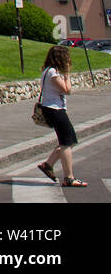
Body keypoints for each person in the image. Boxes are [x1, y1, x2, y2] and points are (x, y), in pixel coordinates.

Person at [37, 44, 87, 187]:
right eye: (66, 57)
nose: (68, 60)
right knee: (66, 143)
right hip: (55, 110)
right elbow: (67, 90)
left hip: (53, 109)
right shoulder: (53, 73)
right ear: (60, 58)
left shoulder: (48, 71)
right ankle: (69, 178)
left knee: (68, 140)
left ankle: (48, 164)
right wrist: (67, 75)